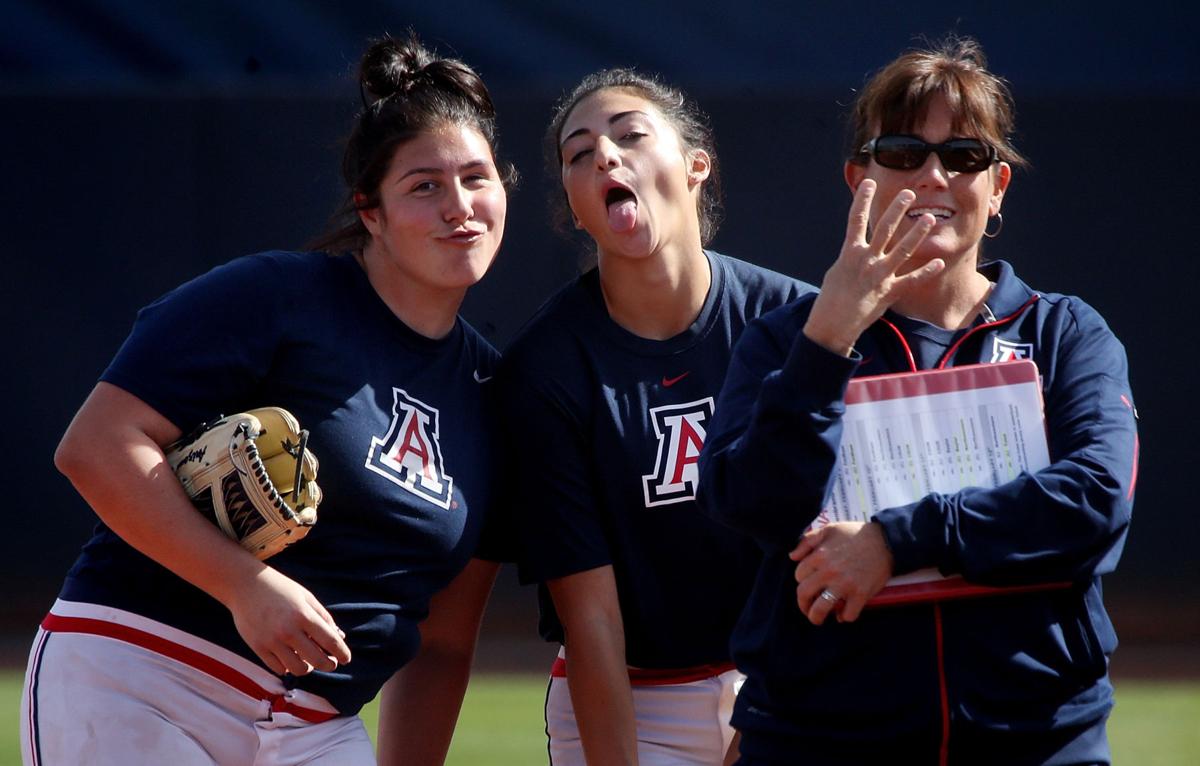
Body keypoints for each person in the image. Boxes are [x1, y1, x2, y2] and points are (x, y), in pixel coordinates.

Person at [21, 32, 511, 766]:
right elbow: (94, 446)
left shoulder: (496, 397)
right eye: (424, 186)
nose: (459, 207)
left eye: (476, 179)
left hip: (316, 727)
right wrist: (243, 583)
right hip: (141, 670)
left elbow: (441, 643)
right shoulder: (279, 297)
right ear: (369, 211)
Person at [696, 37, 1138, 765]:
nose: (933, 174)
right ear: (858, 178)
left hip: (1033, 739)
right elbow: (751, 506)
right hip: (821, 737)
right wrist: (827, 340)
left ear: (997, 187)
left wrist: (894, 542)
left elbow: (1095, 502)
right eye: (902, 151)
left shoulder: (1064, 332)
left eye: (963, 157)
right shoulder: (789, 339)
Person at [497, 69, 815, 766]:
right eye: (579, 154)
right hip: (632, 704)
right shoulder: (545, 368)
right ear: (575, 208)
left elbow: (820, 554)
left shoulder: (795, 326)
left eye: (630, 135)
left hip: (788, 683)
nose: (605, 156)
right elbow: (591, 619)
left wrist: (760, 727)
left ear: (697, 165)